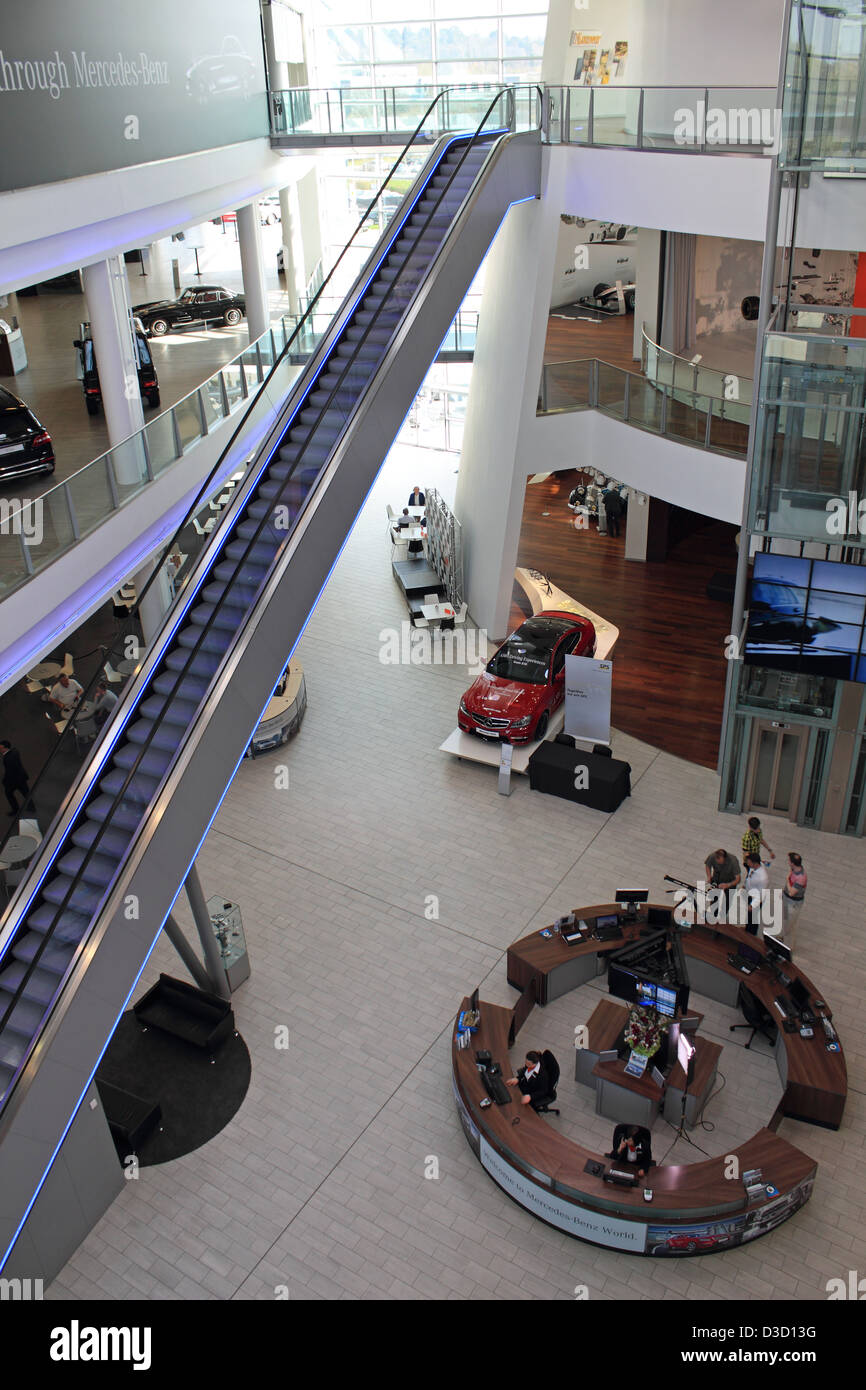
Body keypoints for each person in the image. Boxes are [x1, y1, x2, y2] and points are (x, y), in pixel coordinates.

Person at [782, 853, 807, 952]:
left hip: (793, 903)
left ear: (792, 863)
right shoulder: (794, 869)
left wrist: (787, 880)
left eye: (789, 861)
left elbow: (792, 892)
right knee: (786, 920)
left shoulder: (801, 877)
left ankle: (789, 946)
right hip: (787, 898)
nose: (788, 862)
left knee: (790, 924)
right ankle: (784, 939)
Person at [704, 848, 741, 913]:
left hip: (730, 883)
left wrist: (727, 885)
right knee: (714, 897)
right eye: (716, 860)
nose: (717, 862)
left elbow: (738, 879)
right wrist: (709, 876)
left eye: (719, 860)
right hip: (717, 880)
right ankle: (713, 912)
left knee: (728, 900)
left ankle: (723, 914)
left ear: (724, 858)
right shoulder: (713, 856)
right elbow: (708, 865)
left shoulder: (733, 861)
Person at [1, 740, 30, 816]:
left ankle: (15, 810)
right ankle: (31, 806)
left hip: (14, 781)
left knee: (8, 793)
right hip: (21, 777)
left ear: (5, 748)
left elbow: (9, 772)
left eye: (1, 748)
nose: (0, 750)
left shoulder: (7, 758)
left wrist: (5, 781)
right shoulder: (15, 751)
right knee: (26, 792)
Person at [743, 853, 769, 935]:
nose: (747, 863)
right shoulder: (754, 867)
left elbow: (761, 894)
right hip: (750, 894)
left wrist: (752, 905)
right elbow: (750, 876)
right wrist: (746, 885)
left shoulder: (763, 878)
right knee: (749, 917)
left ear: (755, 863)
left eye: (749, 862)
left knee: (753, 919)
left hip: (756, 900)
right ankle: (747, 929)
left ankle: (751, 935)